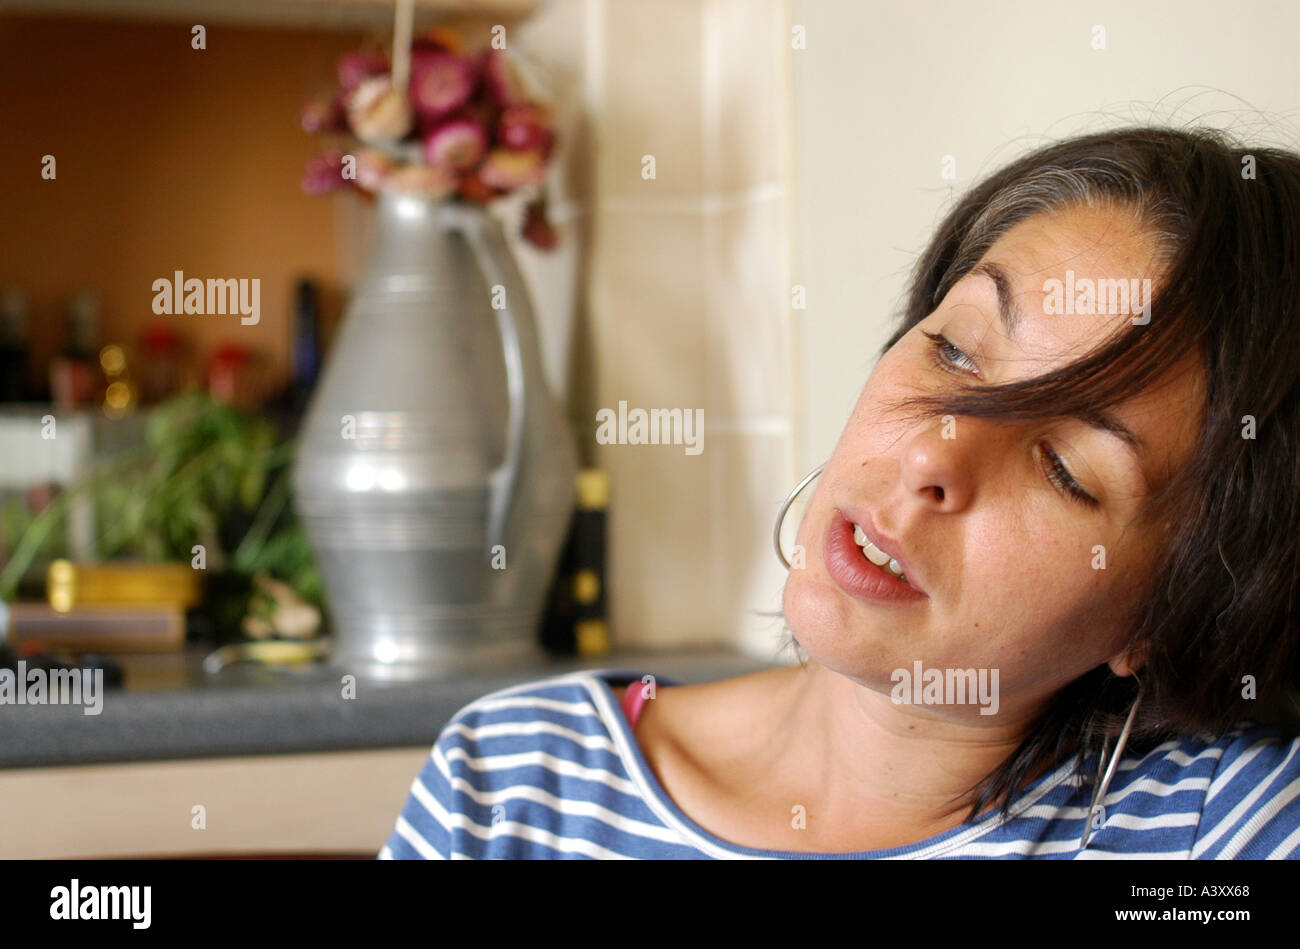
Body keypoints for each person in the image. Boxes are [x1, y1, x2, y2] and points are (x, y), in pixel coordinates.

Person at [381, 126, 1300, 859]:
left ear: (1172, 612)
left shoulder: (1224, 829)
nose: (932, 457)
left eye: (1065, 468)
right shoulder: (510, 779)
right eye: (954, 347)